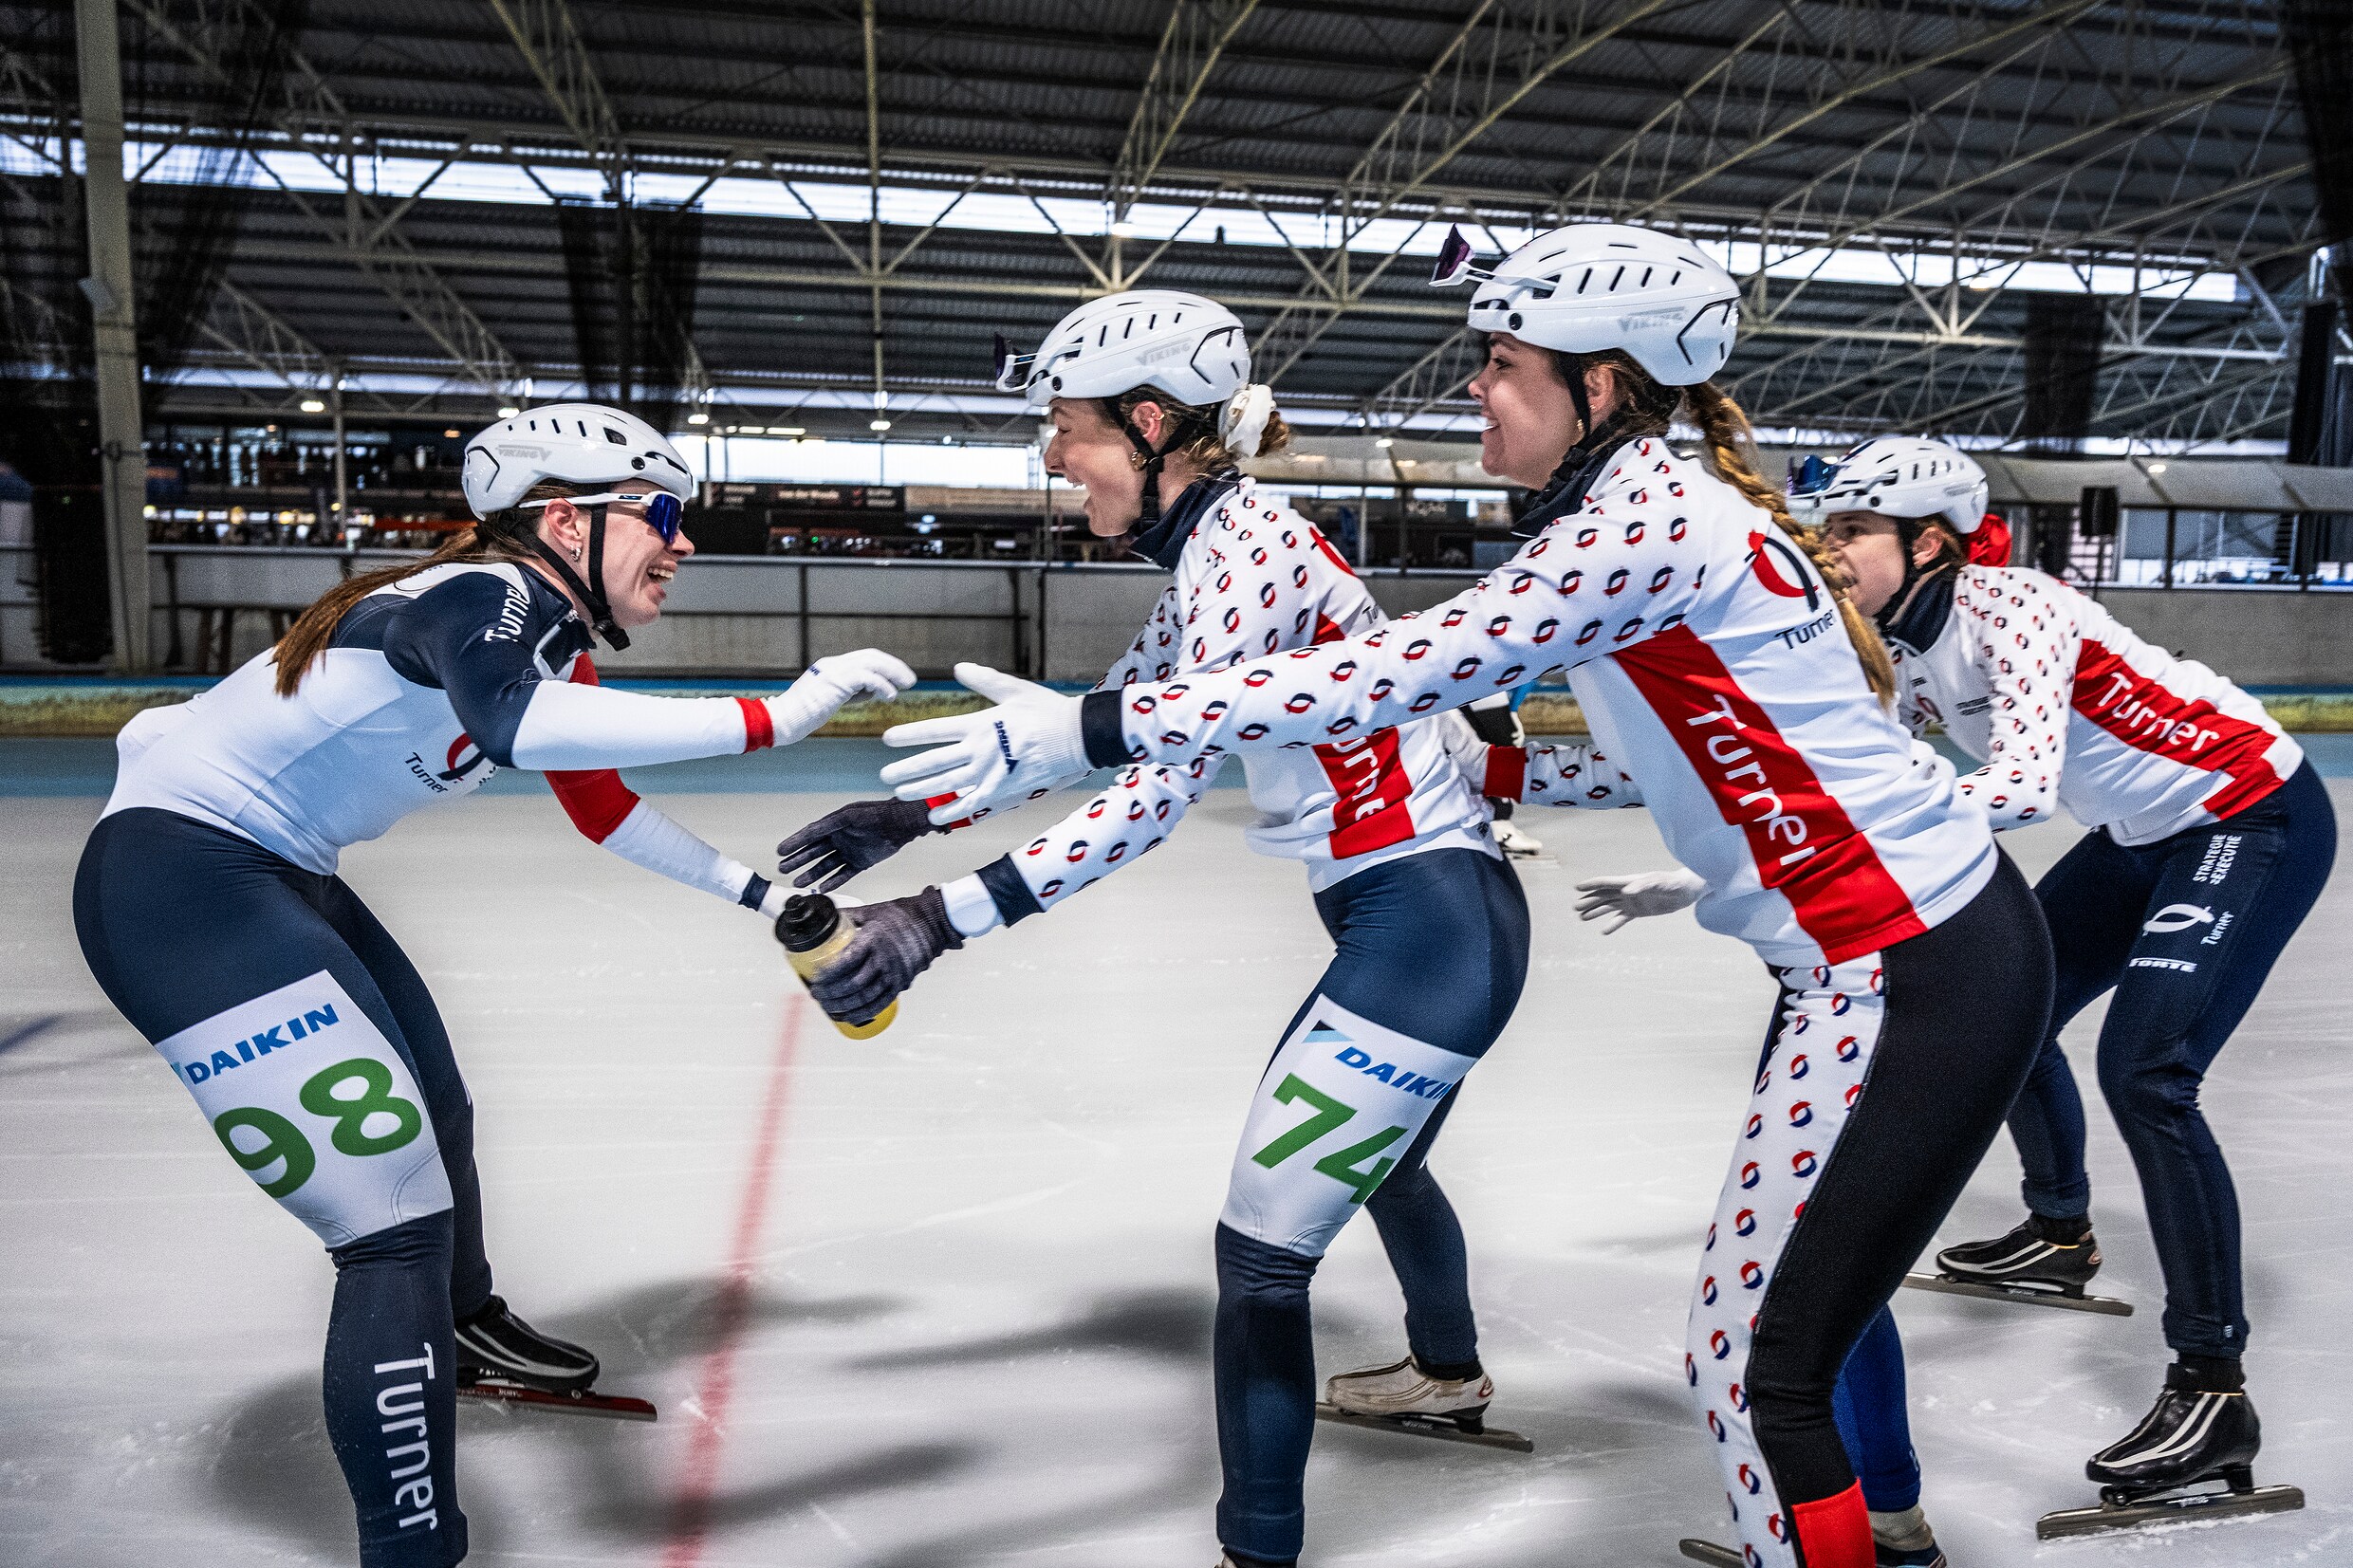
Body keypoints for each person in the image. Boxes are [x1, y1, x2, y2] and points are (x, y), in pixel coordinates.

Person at [869, 224, 2057, 1568]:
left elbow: (1392, 673)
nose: (1474, 388)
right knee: (1761, 1346)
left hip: (1900, 965)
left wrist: (1094, 728)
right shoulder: (1664, 513)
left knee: (1753, 1366)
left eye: (1499, 362)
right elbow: (1681, 750)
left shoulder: (1642, 524)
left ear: (1598, 387)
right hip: (1888, 955)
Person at [71, 403, 915, 1568]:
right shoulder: (488, 599)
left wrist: (770, 904)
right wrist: (778, 713)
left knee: (441, 1109)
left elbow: (602, 809)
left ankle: (458, 1330)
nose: (680, 543)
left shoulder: (534, 626)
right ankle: (412, 1545)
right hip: (186, 885)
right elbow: (518, 731)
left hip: (271, 870)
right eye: (661, 515)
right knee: (388, 1232)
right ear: (564, 518)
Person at [769, 291, 1531, 1568]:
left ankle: (1258, 1545)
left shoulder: (1239, 554)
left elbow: (1149, 793)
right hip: (1431, 913)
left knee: (1261, 1260)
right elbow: (1107, 717)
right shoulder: (1222, 548)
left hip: (1426, 924)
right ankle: (1445, 1374)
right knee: (1383, 1164)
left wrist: (936, 922)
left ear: (1151, 421)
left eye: (1066, 431)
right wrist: (907, 815)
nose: (1052, 460)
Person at [1804, 434, 2335, 1506]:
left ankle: (2210, 1386)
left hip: (2245, 809)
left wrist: (1846, 840)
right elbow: (1866, 778)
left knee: (2146, 1072)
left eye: (1852, 528)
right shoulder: (1894, 645)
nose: (1831, 548)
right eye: (1829, 527)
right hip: (2142, 830)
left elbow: (2015, 790)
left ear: (1930, 542)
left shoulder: (2015, 606)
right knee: (2018, 1010)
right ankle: (2057, 1229)